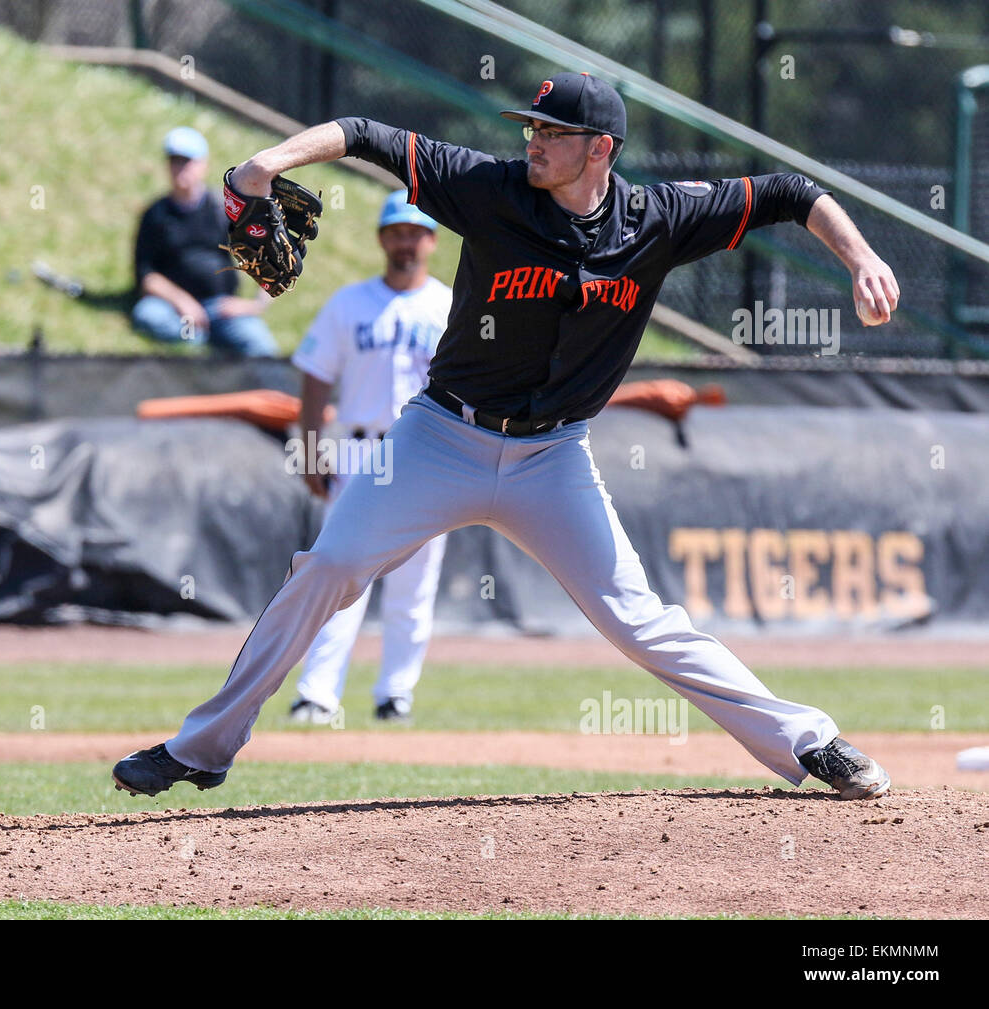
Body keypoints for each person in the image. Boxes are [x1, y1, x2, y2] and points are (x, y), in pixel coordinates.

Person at [114, 72, 901, 801]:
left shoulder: (660, 218)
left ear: (602, 149)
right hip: (441, 435)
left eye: (552, 132)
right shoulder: (487, 190)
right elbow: (361, 132)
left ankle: (810, 740)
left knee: (637, 618)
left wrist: (860, 257)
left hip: (554, 457)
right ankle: (202, 747)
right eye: (530, 127)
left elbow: (793, 193)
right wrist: (260, 165)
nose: (533, 141)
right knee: (330, 564)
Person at [288, 191, 452, 726]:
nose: (405, 241)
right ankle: (316, 693)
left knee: (415, 581)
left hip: (428, 455)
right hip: (360, 450)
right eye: (396, 231)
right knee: (339, 573)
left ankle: (395, 693)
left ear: (431, 240)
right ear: (382, 238)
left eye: (415, 231)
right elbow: (315, 376)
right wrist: (311, 449)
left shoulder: (451, 306)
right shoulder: (349, 302)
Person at [131, 127, 276, 357]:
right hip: (173, 309)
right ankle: (201, 342)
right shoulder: (156, 215)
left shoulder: (225, 210)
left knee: (262, 346)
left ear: (203, 165)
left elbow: (270, 259)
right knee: (147, 315)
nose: (180, 168)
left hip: (220, 308)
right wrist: (182, 302)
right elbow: (146, 276)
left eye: (186, 161)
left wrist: (254, 305)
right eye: (174, 161)